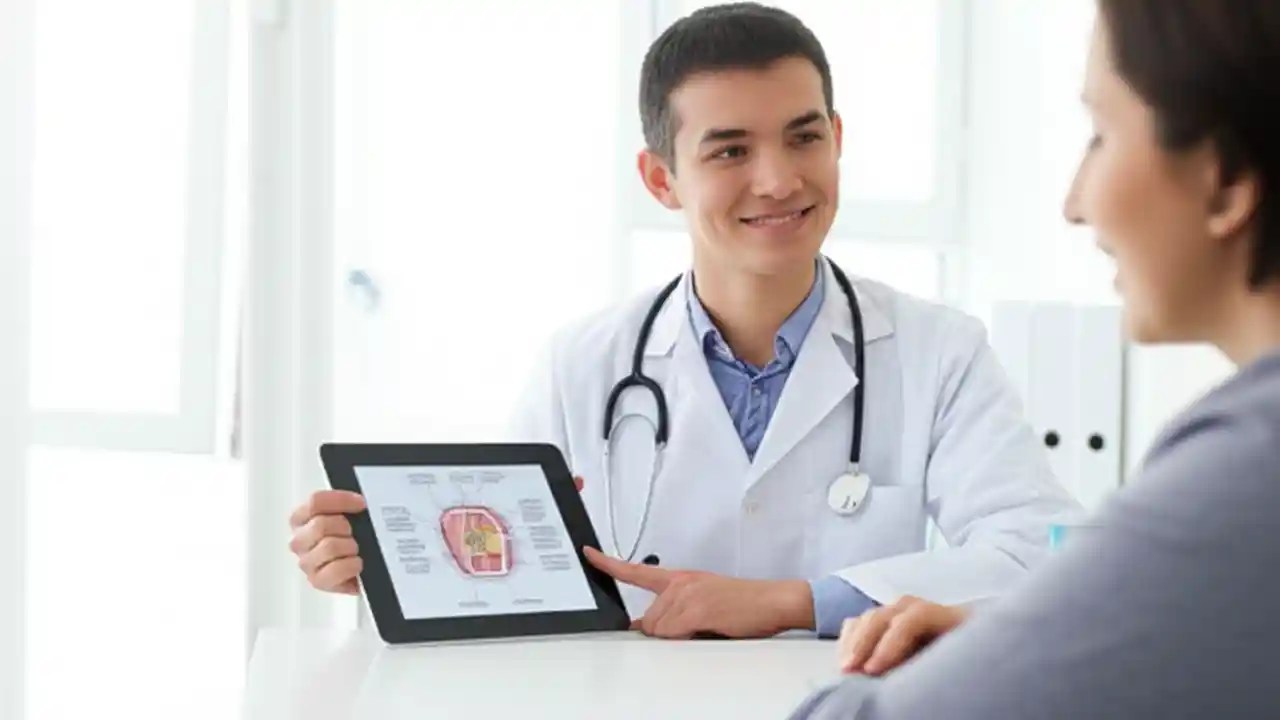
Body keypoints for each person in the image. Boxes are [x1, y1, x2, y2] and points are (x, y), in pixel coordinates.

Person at [288, 2, 1080, 640]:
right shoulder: (583, 364)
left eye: (804, 137)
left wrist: (791, 601)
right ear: (661, 179)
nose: (778, 179)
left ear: (837, 141)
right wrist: (387, 563)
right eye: (730, 152)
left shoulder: (938, 352)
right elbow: (511, 576)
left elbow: (1038, 556)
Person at [791, 0, 1280, 716]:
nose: (1074, 204)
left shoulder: (1247, 469)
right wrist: (1015, 643)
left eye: (1101, 134)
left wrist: (1015, 664)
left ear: (1227, 177)